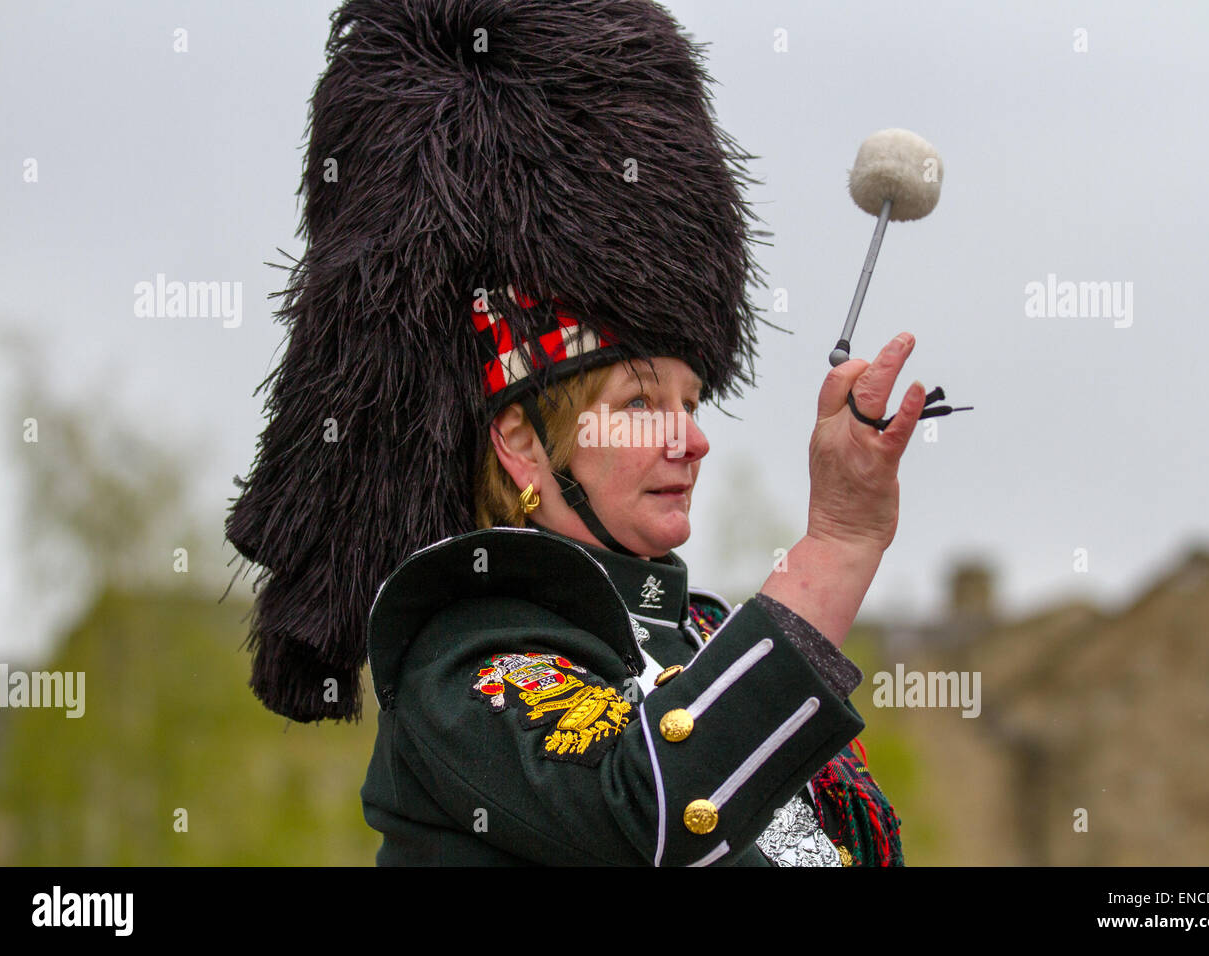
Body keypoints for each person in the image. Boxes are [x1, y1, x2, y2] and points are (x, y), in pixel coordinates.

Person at [224, 0, 921, 866]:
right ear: (519, 442)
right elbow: (660, 814)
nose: (692, 441)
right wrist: (839, 542)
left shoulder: (706, 635)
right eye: (638, 405)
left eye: (693, 402)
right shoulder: (460, 653)